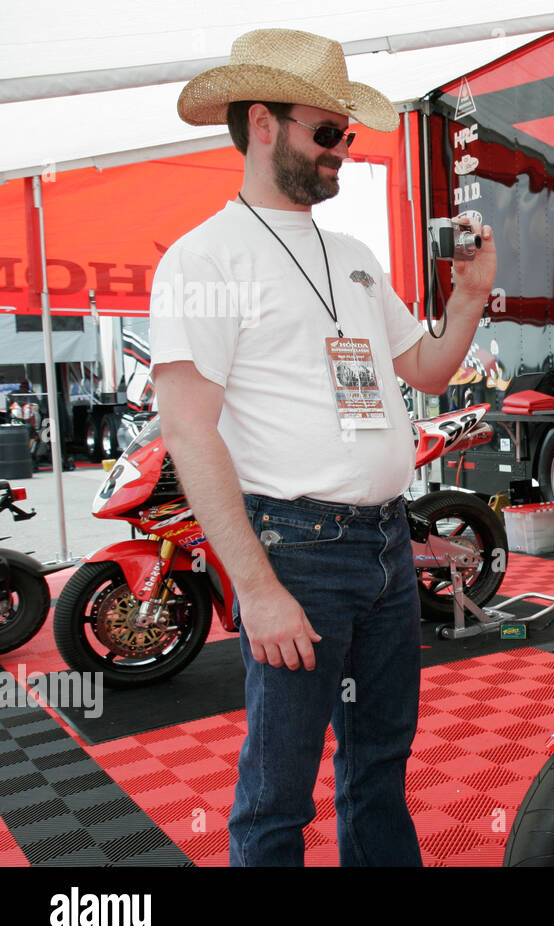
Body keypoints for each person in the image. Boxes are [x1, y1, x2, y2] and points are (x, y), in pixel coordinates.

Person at [149, 29, 495, 865]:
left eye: (348, 134)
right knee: (277, 796)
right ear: (263, 124)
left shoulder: (355, 257)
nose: (343, 150)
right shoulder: (204, 259)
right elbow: (189, 431)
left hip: (384, 539)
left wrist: (472, 296)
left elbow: (431, 370)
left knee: (380, 766)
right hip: (297, 550)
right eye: (328, 132)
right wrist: (258, 588)